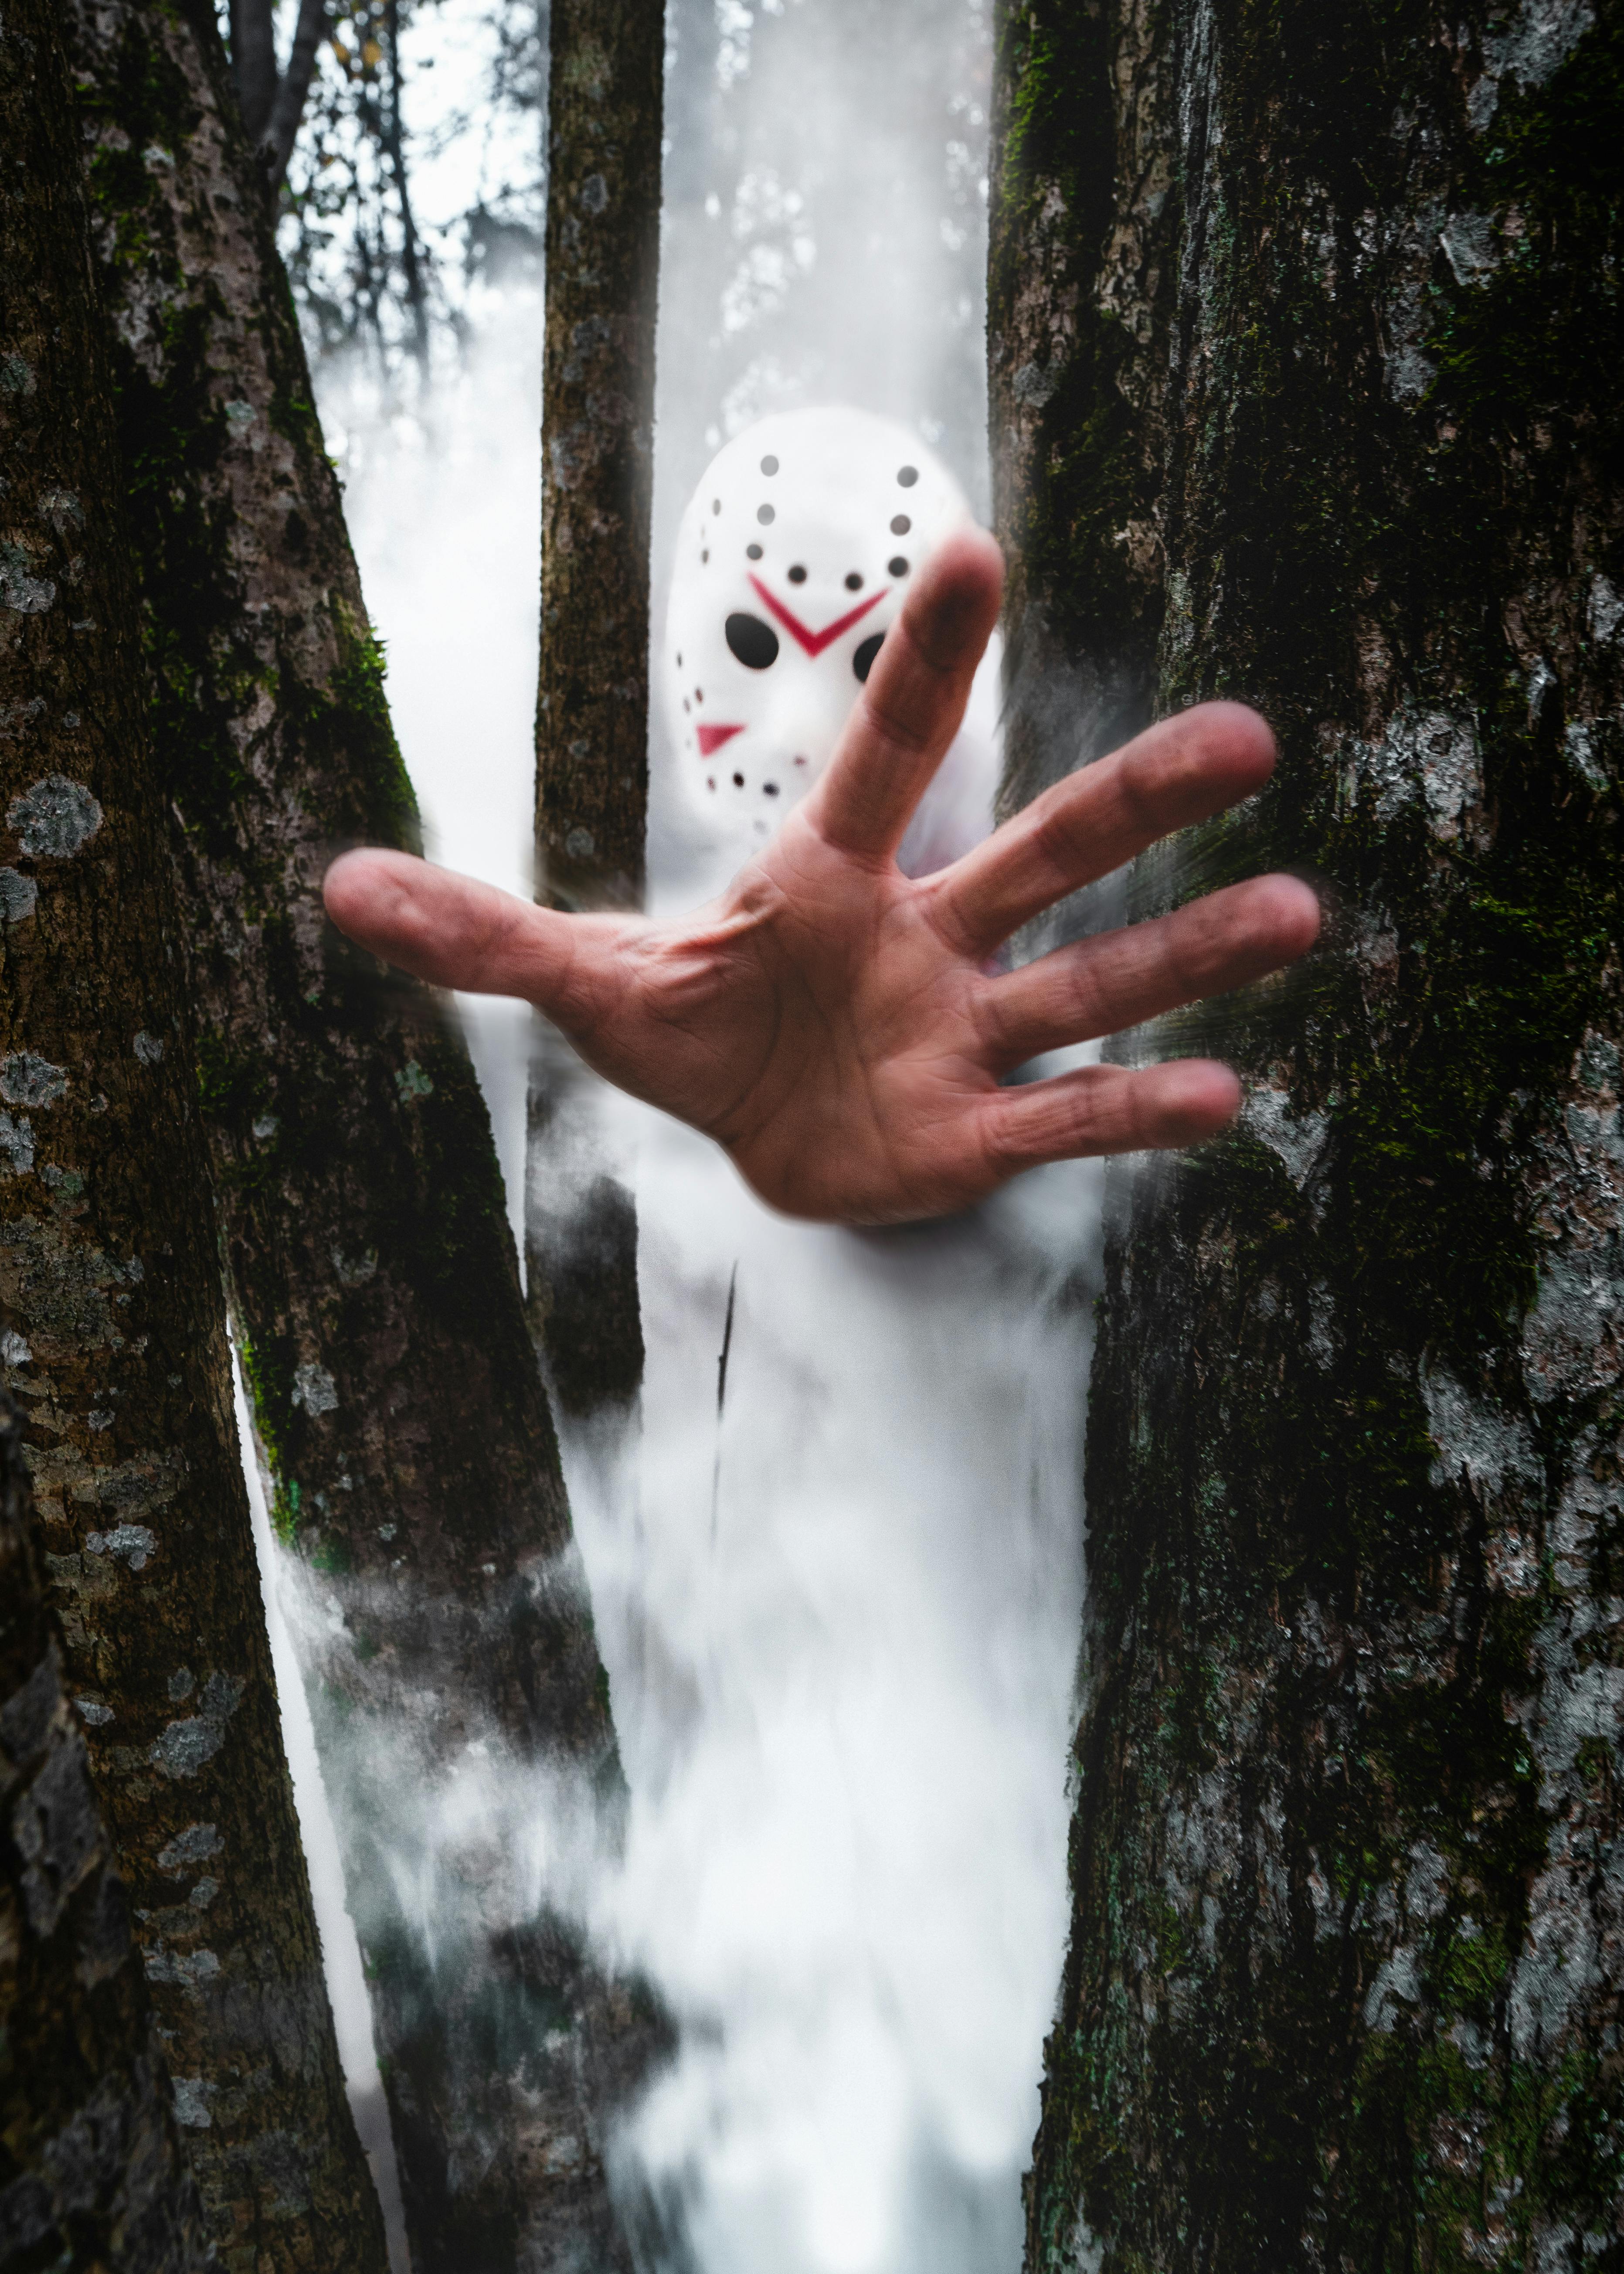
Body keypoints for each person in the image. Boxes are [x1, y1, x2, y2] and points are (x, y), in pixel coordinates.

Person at [324, 529, 1320, 1225]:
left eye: (856, 645)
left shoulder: (963, 827)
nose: (800, 711)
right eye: (755, 644)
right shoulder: (677, 825)